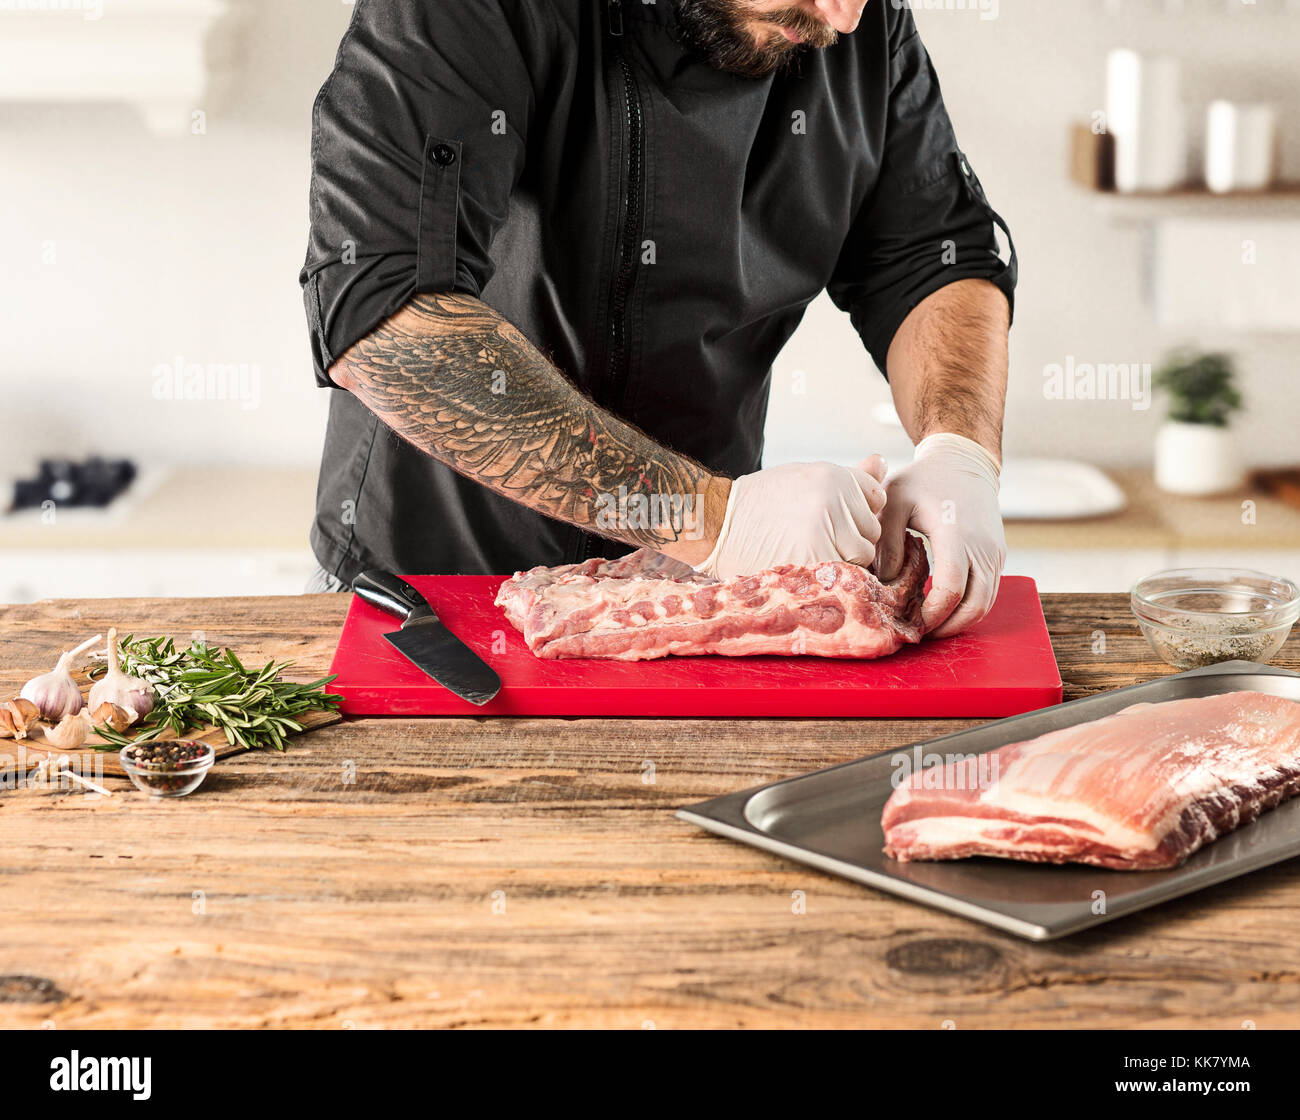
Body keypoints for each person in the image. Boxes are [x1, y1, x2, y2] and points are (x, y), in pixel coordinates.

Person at [301, 0, 1015, 637]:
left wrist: (961, 451)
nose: (846, 18)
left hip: (710, 601)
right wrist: (708, 520)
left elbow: (935, 255)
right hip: (433, 602)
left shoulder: (854, 18)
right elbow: (388, 319)